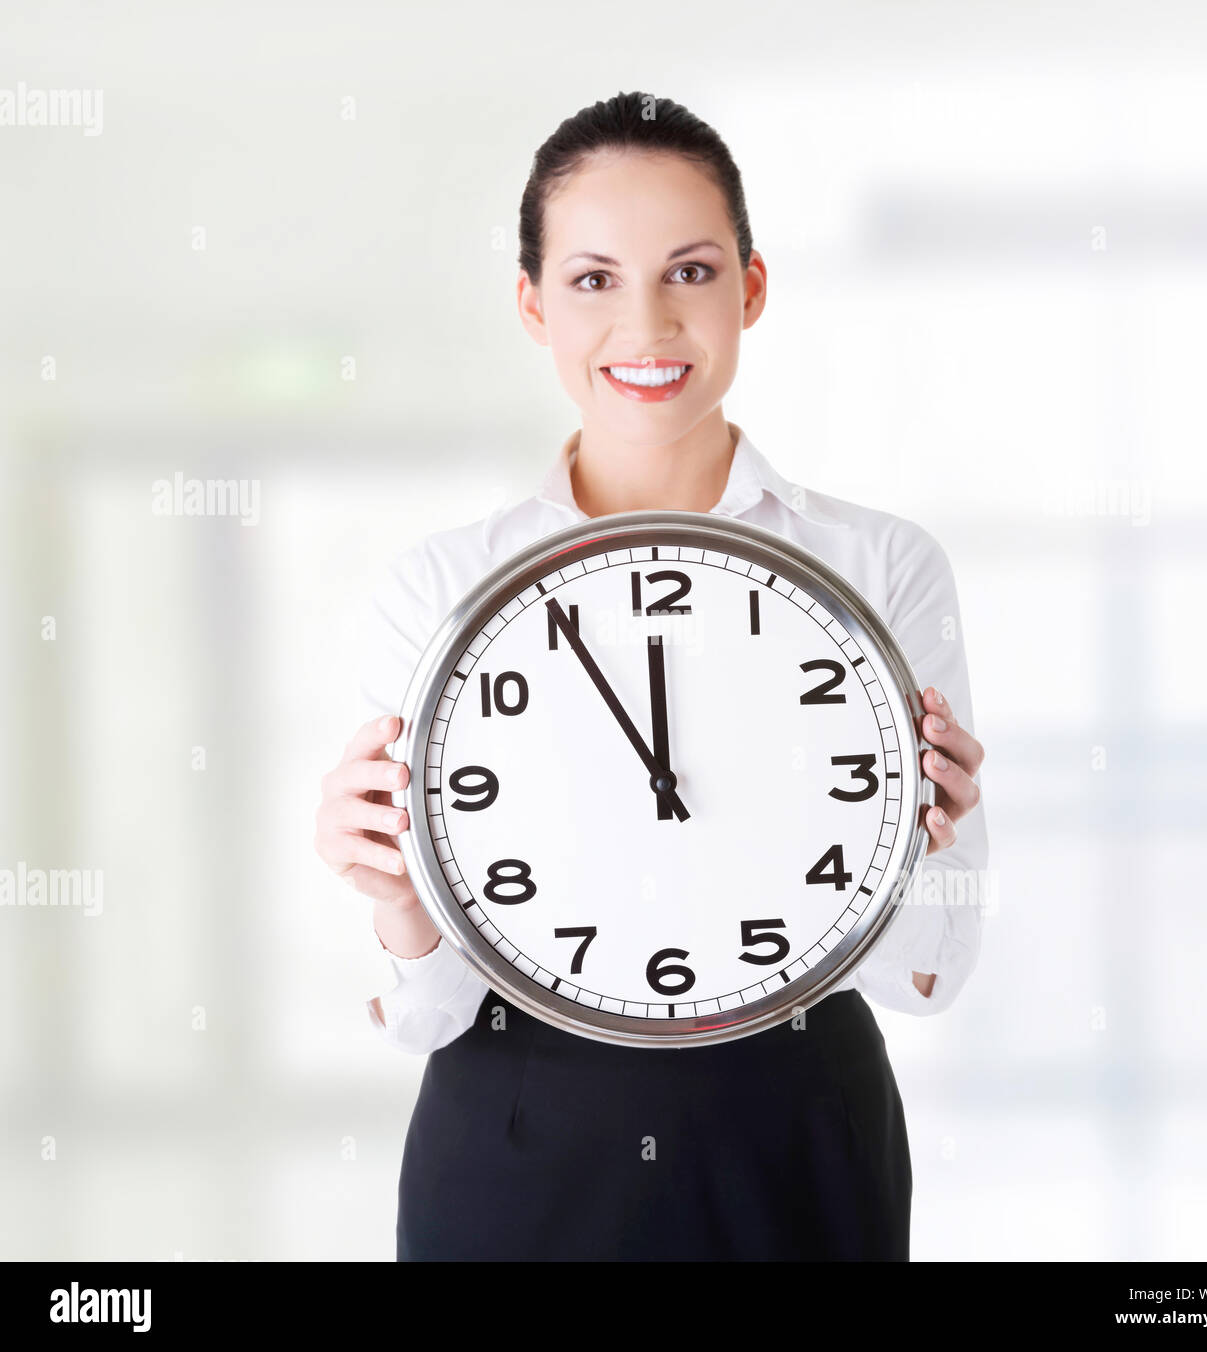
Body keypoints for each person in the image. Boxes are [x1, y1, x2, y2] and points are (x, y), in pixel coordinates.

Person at [314, 90, 988, 1262]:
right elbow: (422, 1012)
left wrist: (921, 843)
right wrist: (394, 891)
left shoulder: (878, 567)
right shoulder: (440, 591)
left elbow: (928, 978)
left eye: (688, 271)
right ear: (532, 303)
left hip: (793, 1129)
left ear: (751, 286)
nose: (647, 324)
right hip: (520, 1129)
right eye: (592, 279)